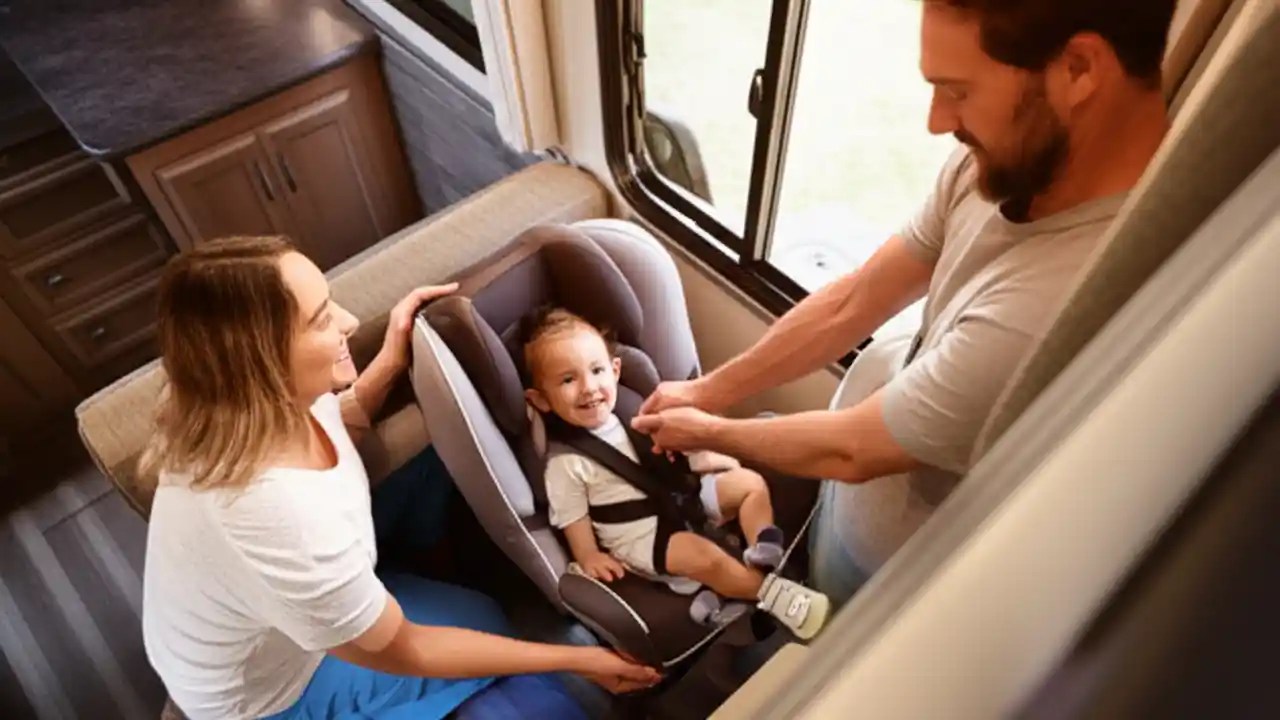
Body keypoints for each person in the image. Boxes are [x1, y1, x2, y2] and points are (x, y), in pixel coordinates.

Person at [632, 0, 1178, 606]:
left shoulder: (1061, 304)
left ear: (1078, 69)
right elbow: (854, 301)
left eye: (958, 91)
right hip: (861, 493)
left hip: (893, 564)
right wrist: (711, 391)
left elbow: (851, 450)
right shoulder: (1011, 162)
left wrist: (710, 431)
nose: (937, 122)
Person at [138, 236, 659, 720]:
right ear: (262, 361)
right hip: (275, 691)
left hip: (279, 618)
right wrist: (579, 661)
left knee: (477, 604)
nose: (348, 321)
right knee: (514, 669)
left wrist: (391, 357)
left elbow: (336, 421)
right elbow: (408, 648)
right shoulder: (272, 514)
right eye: (321, 319)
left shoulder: (252, 403)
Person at [520, 307, 787, 622]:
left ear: (615, 370)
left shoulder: (635, 412)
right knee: (705, 557)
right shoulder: (565, 460)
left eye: (596, 370)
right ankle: (773, 592)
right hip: (642, 535)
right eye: (568, 379)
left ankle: (762, 553)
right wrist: (588, 554)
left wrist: (716, 461)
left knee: (750, 484)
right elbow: (572, 515)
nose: (589, 387)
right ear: (541, 400)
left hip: (682, 498)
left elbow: (679, 453)